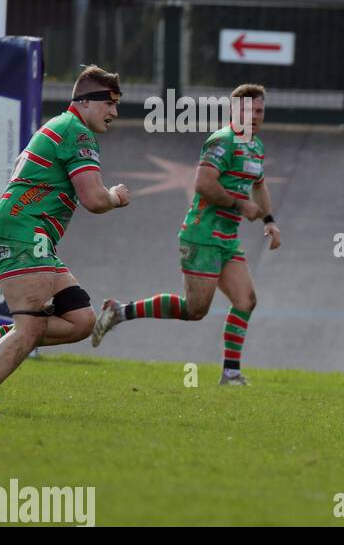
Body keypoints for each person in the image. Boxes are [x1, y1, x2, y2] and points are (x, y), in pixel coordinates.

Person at [91, 84, 281, 386]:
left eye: (259, 111)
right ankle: (119, 311)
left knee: (246, 300)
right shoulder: (222, 141)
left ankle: (230, 374)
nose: (255, 116)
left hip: (227, 239)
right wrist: (239, 203)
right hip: (201, 235)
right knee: (195, 310)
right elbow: (204, 184)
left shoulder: (255, 145)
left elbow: (259, 183)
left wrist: (269, 220)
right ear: (234, 111)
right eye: (248, 110)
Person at [0, 65, 131, 413]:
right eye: (109, 102)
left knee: (81, 320)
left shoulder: (60, 125)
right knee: (31, 326)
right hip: (25, 233)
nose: (114, 111)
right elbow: (94, 200)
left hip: (31, 236)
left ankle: (0, 338)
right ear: (84, 101)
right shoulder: (77, 132)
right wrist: (115, 196)